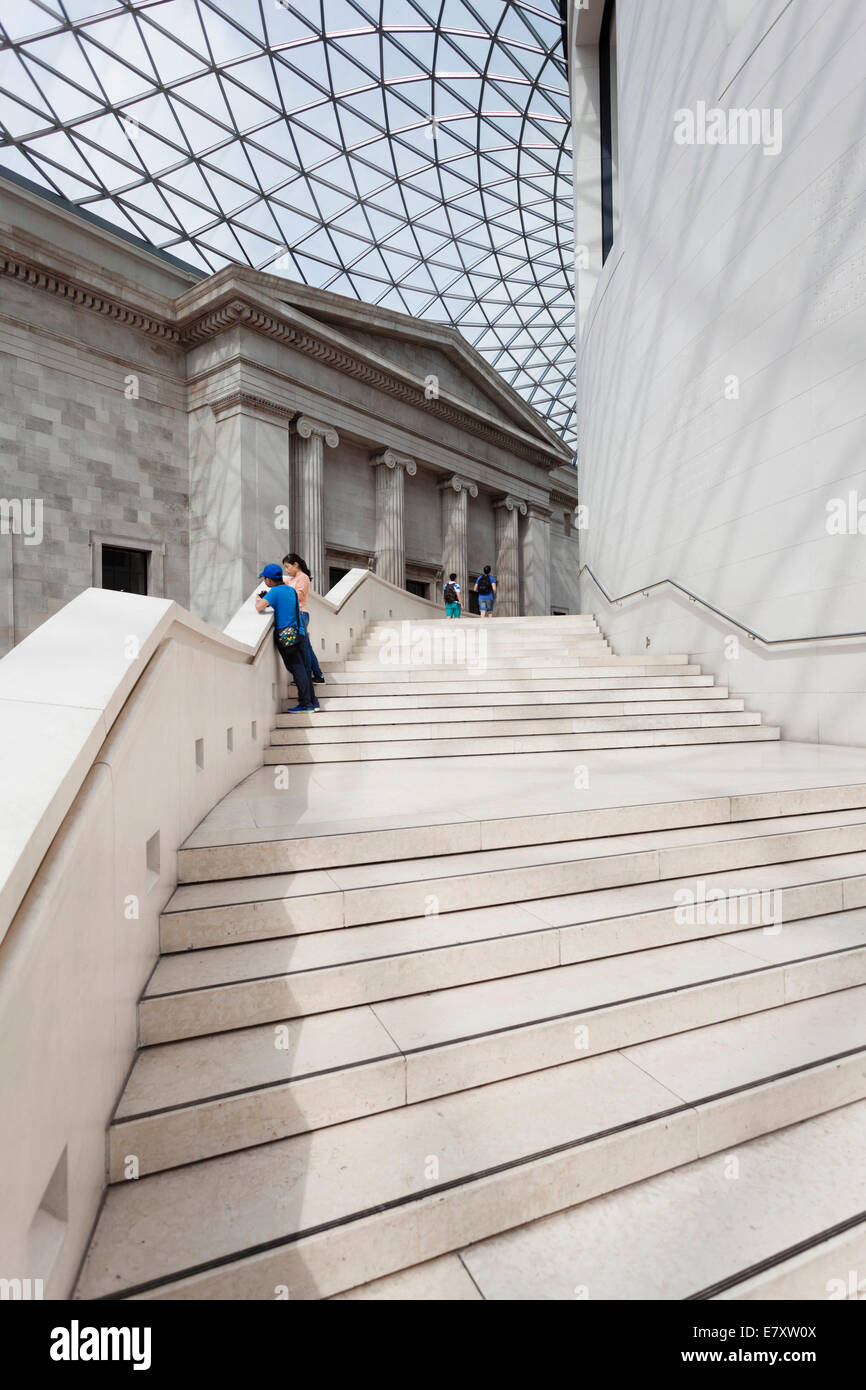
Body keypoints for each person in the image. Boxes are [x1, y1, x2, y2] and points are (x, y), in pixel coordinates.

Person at [255, 563, 319, 712]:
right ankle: (313, 702)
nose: (265, 581)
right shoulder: (290, 590)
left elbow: (259, 607)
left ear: (269, 580)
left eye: (264, 578)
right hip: (300, 634)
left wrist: (259, 599)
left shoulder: (275, 592)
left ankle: (306, 704)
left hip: (287, 637)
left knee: (297, 670)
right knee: (304, 669)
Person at [282, 552, 325, 685]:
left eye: (287, 566)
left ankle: (306, 677)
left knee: (302, 648)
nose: (287, 570)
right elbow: (281, 579)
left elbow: (300, 596)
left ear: (296, 564)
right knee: (306, 647)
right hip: (296, 615)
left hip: (300, 614)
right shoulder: (292, 579)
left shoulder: (303, 577)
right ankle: (317, 675)